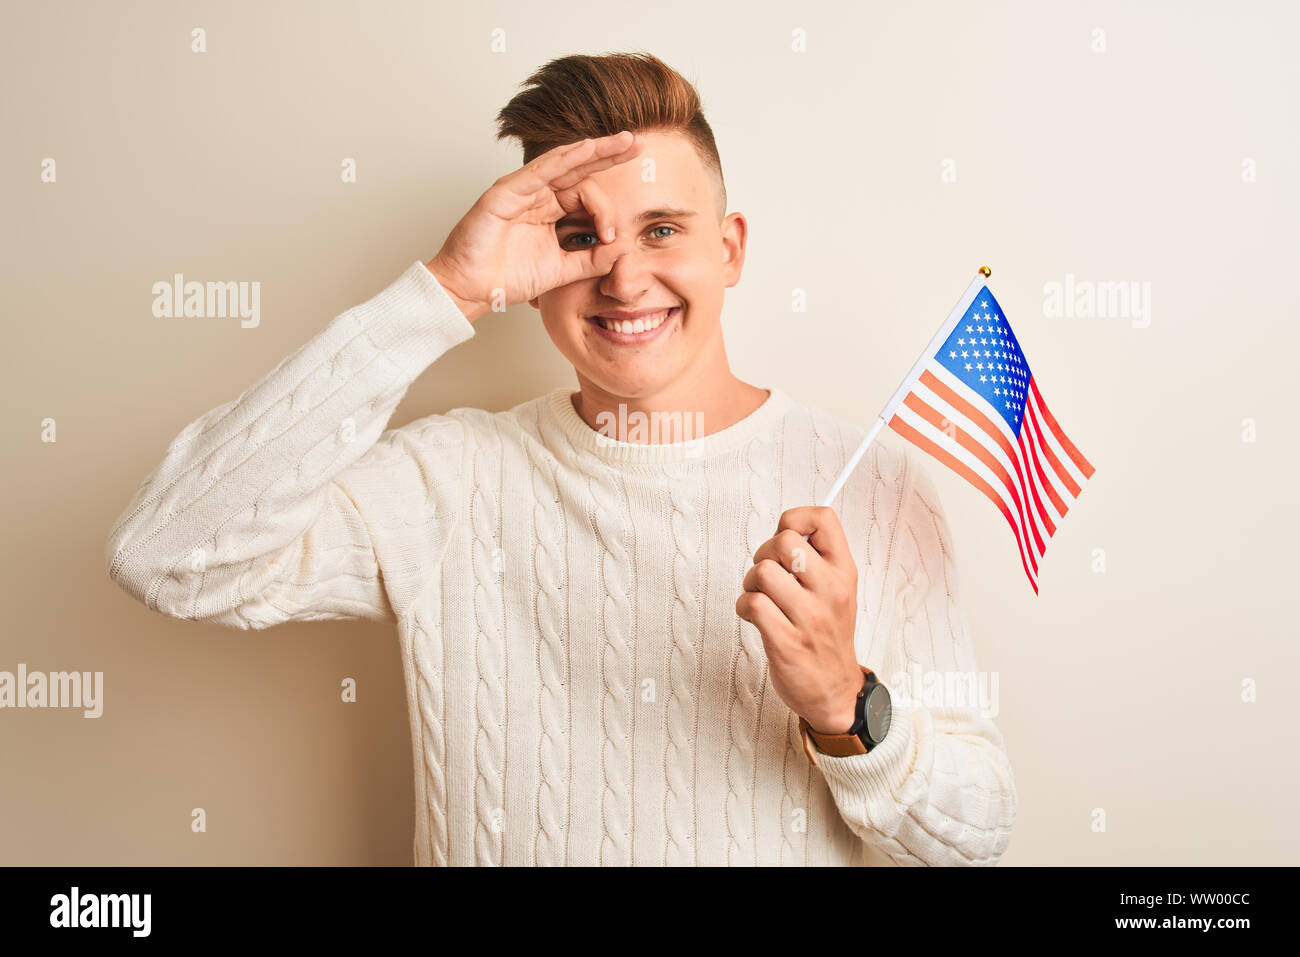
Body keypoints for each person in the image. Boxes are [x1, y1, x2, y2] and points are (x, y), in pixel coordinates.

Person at [105, 51, 1016, 866]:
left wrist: (845, 705)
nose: (623, 277)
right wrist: (445, 292)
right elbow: (167, 552)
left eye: (662, 229)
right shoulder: (452, 478)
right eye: (581, 237)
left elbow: (975, 840)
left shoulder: (877, 487)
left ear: (728, 249)